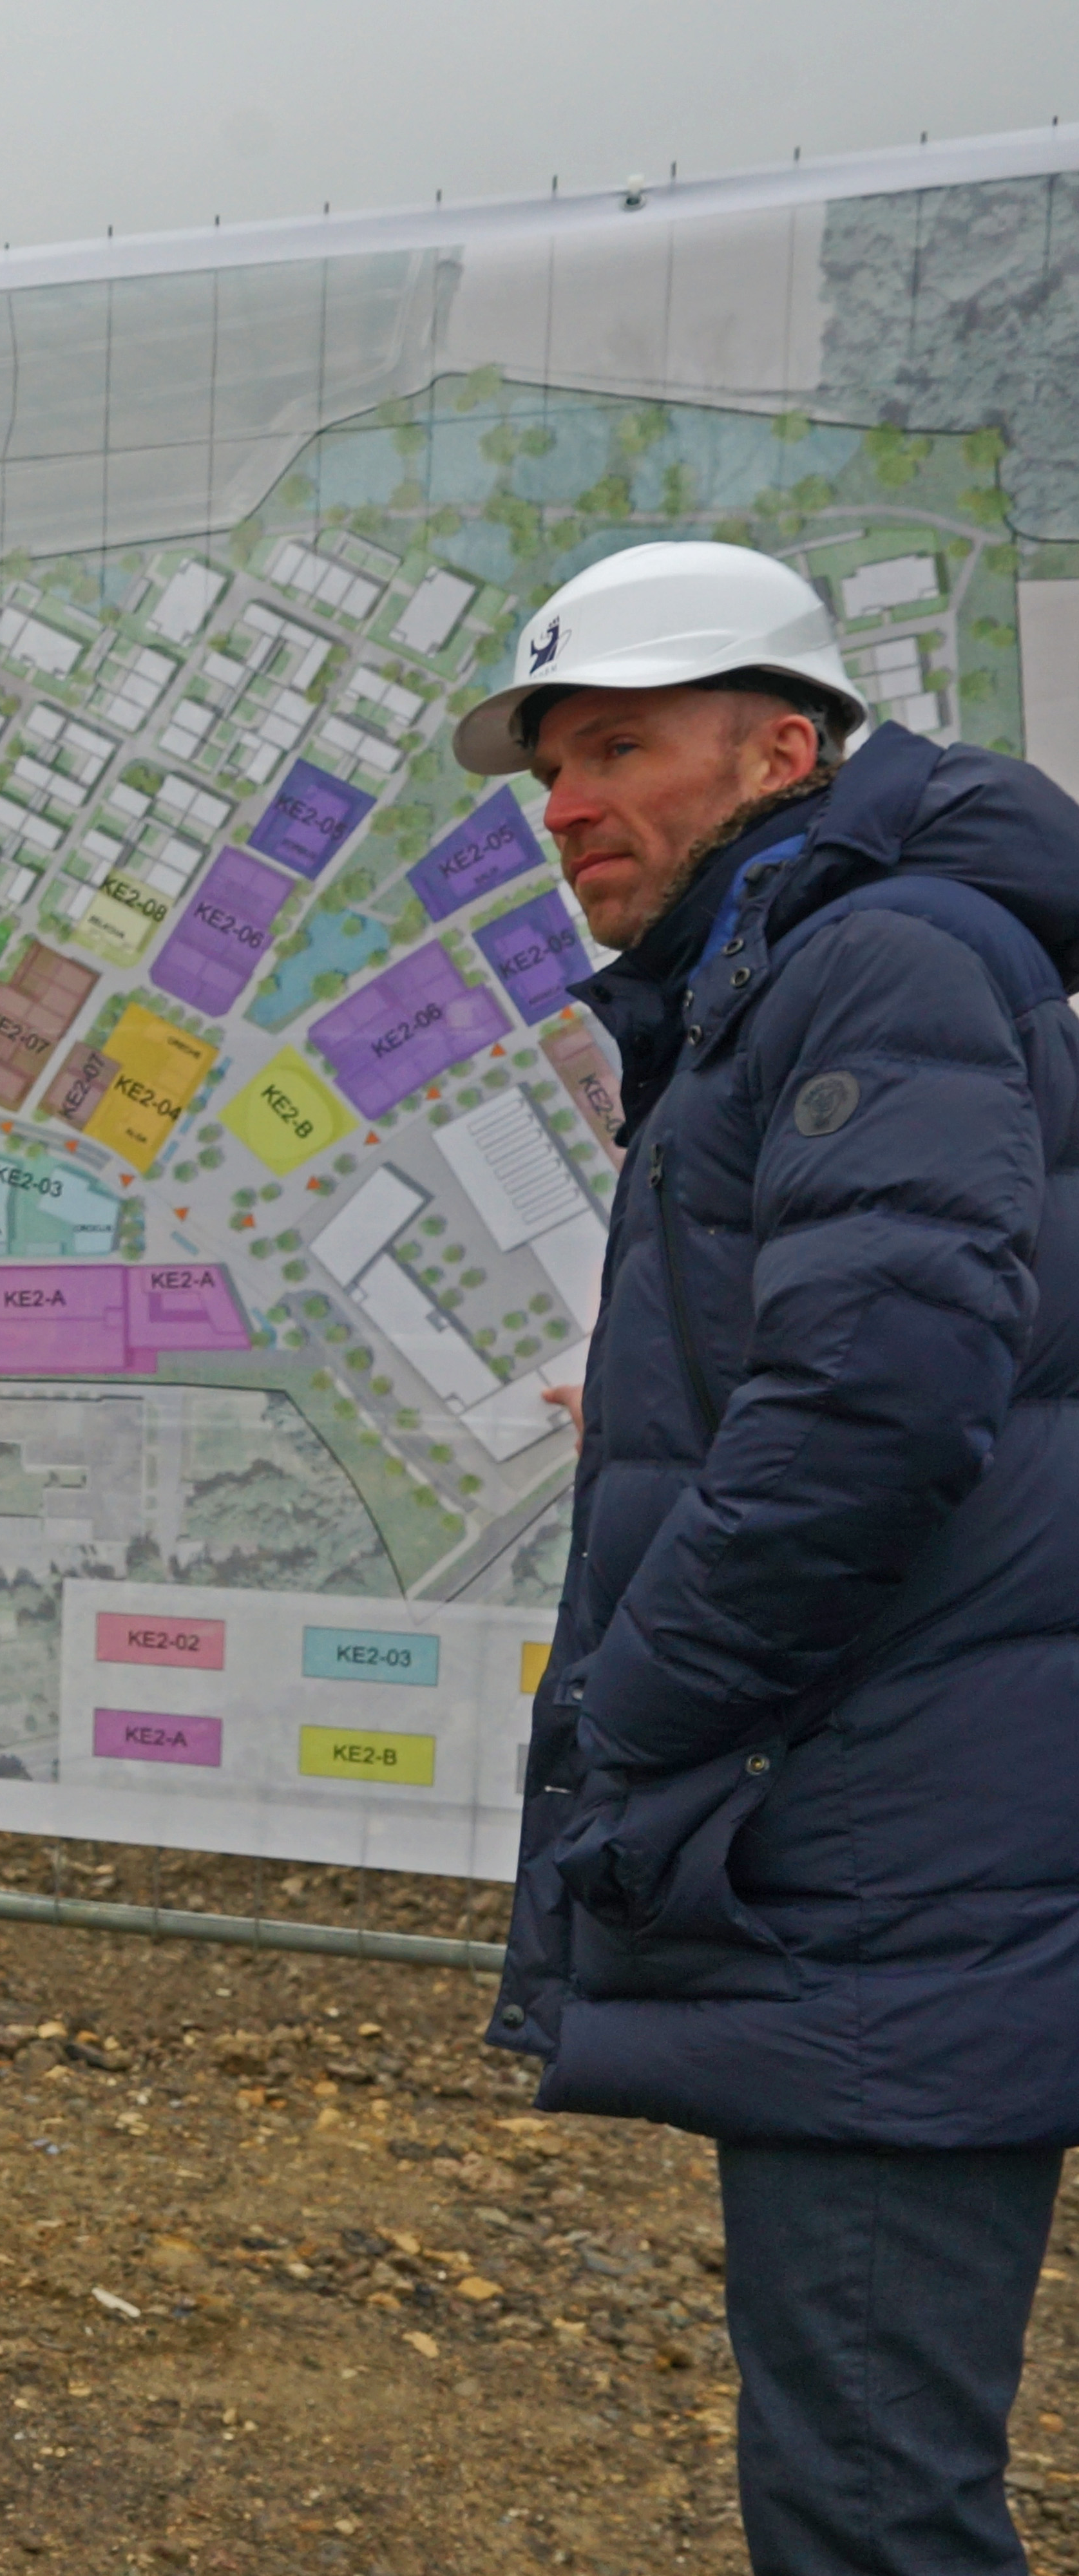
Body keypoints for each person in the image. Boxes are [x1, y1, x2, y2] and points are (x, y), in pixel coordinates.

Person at [472, 540, 1079, 2575]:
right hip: (883, 1842)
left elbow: (875, 1403)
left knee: (869, 2511)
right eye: (549, 769)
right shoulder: (788, 975)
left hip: (900, 1880)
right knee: (857, 2481)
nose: (566, 808)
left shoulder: (876, 958)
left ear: (782, 750)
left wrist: (636, 1715)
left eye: (619, 748)